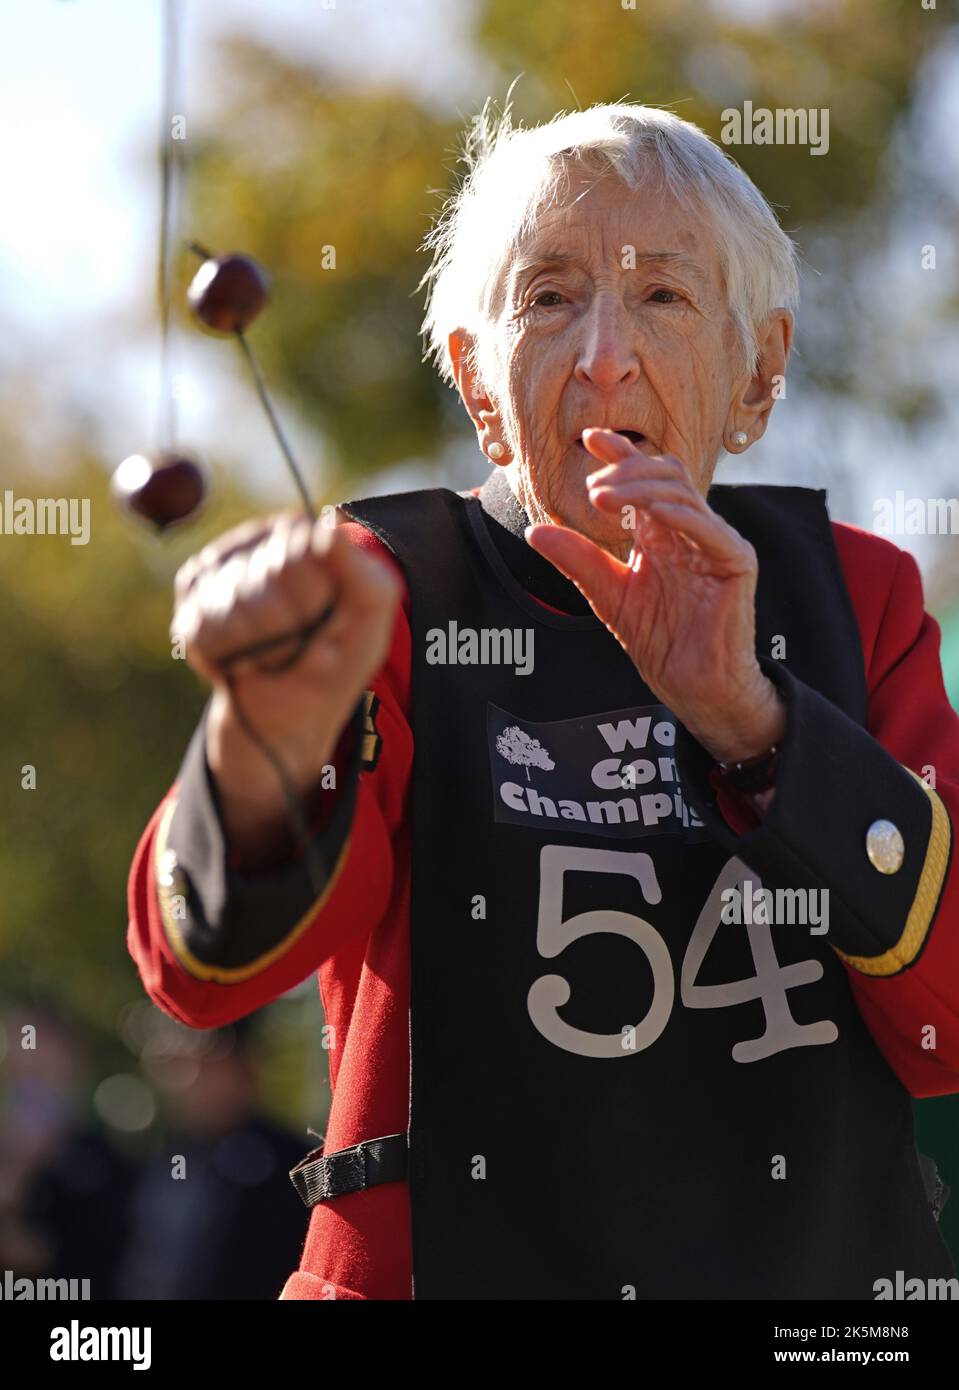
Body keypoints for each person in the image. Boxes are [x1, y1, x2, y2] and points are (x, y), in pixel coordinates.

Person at [128, 102, 959, 1300]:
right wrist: (260, 739)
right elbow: (200, 976)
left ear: (757, 376)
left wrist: (752, 722)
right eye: (549, 298)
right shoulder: (376, 593)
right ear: (475, 378)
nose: (601, 356)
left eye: (663, 298)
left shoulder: (855, 595)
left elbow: (944, 1034)